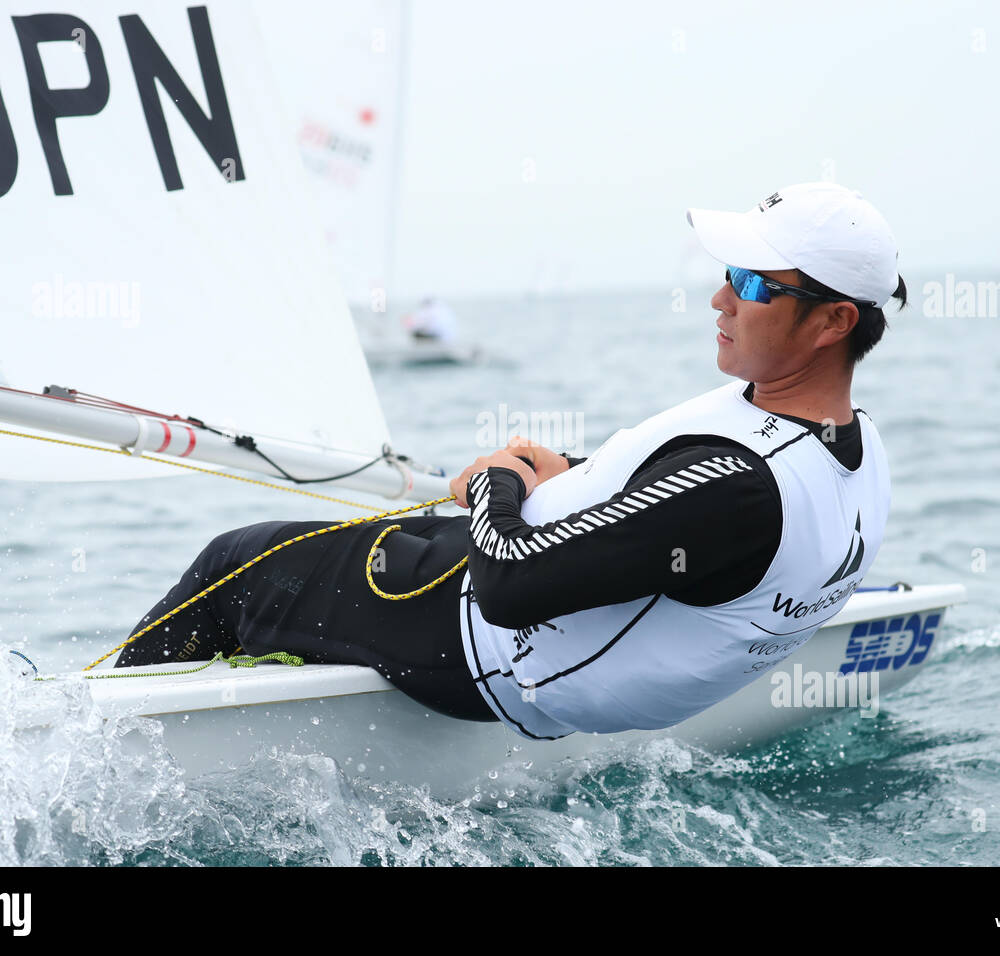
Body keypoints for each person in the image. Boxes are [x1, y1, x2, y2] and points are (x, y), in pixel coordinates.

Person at [116, 181, 906, 743]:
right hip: (544, 614)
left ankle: (110, 745)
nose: (719, 299)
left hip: (465, 633)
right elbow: (686, 510)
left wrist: (501, 481)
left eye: (753, 284)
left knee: (236, 565)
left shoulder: (733, 490)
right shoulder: (855, 446)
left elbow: (510, 589)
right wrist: (568, 469)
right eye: (726, 273)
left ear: (833, 322)